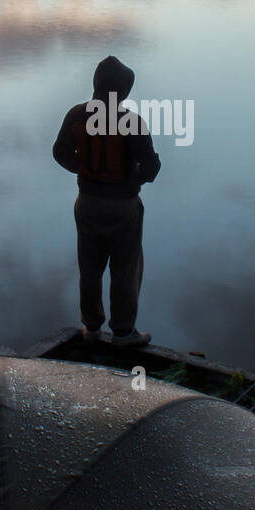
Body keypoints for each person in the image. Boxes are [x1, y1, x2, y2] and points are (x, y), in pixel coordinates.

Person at [52, 56, 160, 347]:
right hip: (123, 207)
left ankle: (92, 327)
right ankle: (123, 332)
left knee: (89, 267)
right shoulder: (131, 122)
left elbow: (60, 152)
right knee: (125, 268)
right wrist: (137, 177)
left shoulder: (76, 115)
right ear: (123, 92)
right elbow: (151, 168)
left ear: (96, 85)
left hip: (87, 202)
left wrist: (83, 168)